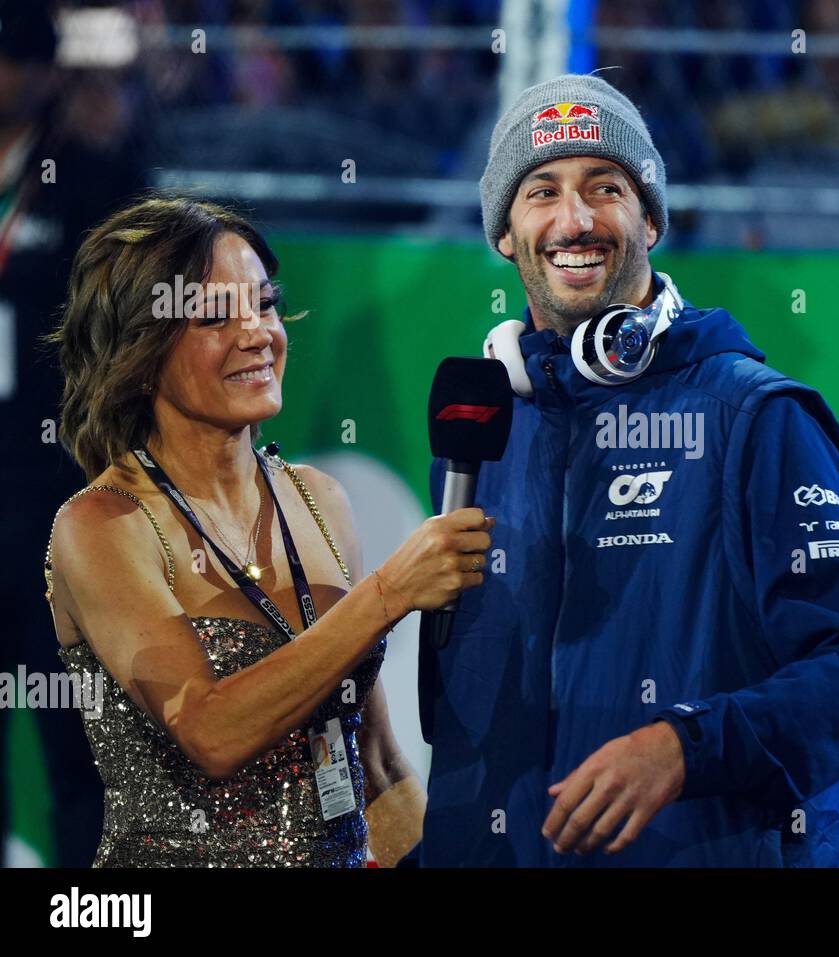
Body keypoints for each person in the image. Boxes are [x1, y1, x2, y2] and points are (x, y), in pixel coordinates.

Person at [414, 73, 839, 867]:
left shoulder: (755, 413)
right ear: (504, 232)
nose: (574, 220)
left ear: (650, 218)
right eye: (541, 191)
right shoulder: (479, 431)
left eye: (605, 187)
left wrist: (683, 747)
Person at [42, 196, 494, 867]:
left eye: (265, 303)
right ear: (142, 349)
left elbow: (373, 760)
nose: (259, 332)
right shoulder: (101, 525)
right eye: (217, 316)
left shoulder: (319, 502)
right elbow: (211, 729)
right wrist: (390, 593)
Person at [0, 0, 144, 867]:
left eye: (14, 60)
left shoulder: (86, 169)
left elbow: (132, 308)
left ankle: (83, 913)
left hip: (55, 504)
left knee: (74, 743)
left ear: (47, 71)